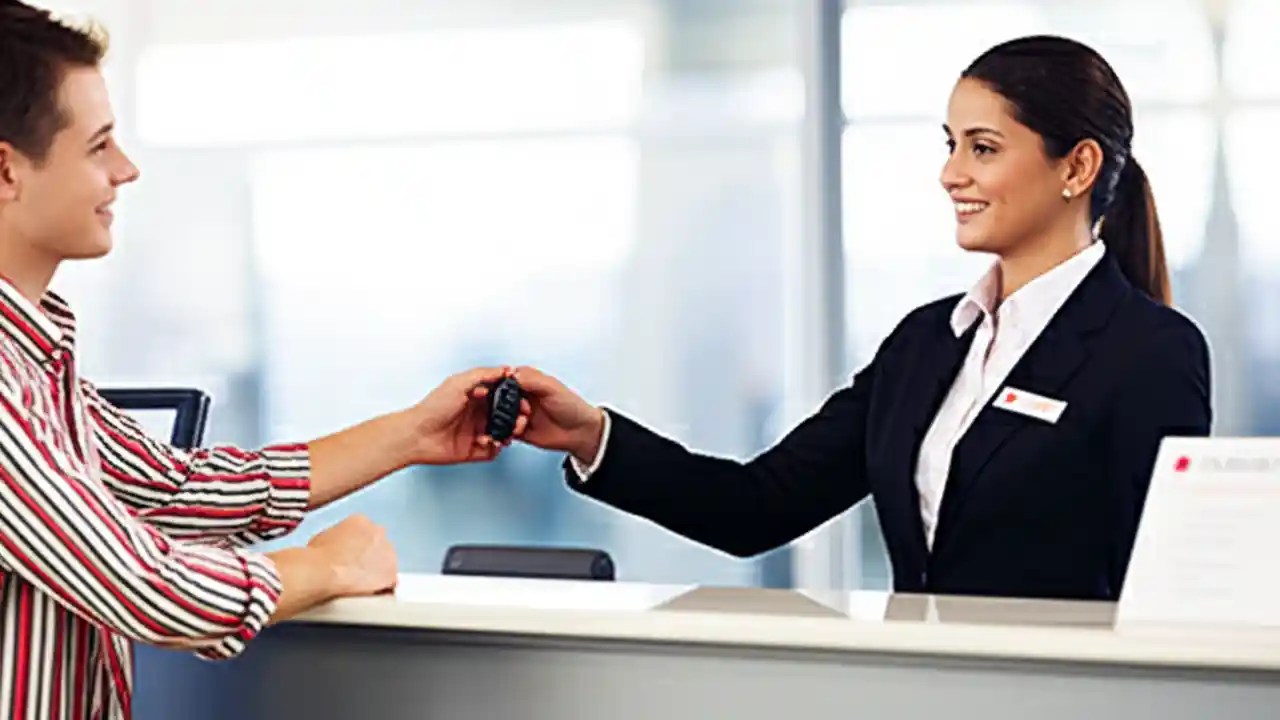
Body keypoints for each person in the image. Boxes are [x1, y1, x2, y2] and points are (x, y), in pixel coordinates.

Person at [512, 35, 1212, 603]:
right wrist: (591, 436)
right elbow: (758, 506)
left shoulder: (1149, 351)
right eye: (951, 144)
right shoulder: (926, 344)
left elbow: (1162, 591)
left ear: (1078, 166)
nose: (951, 174)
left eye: (984, 147)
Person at [0, 4, 527, 717]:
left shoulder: (34, 365)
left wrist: (411, 434)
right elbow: (150, 588)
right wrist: (328, 564)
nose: (126, 170)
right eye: (98, 147)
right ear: (6, 172)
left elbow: (179, 491)